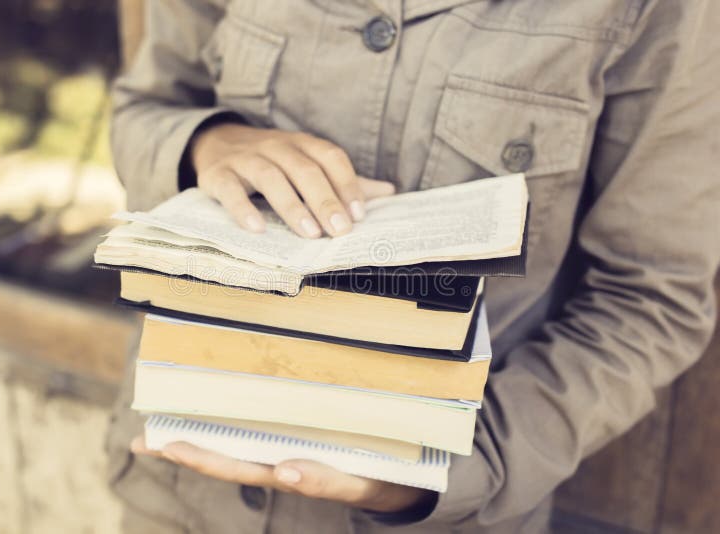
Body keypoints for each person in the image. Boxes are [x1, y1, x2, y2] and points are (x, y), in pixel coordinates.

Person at [106, 1, 720, 532]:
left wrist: (443, 475)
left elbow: (648, 299)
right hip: (181, 498)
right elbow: (145, 107)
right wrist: (207, 143)